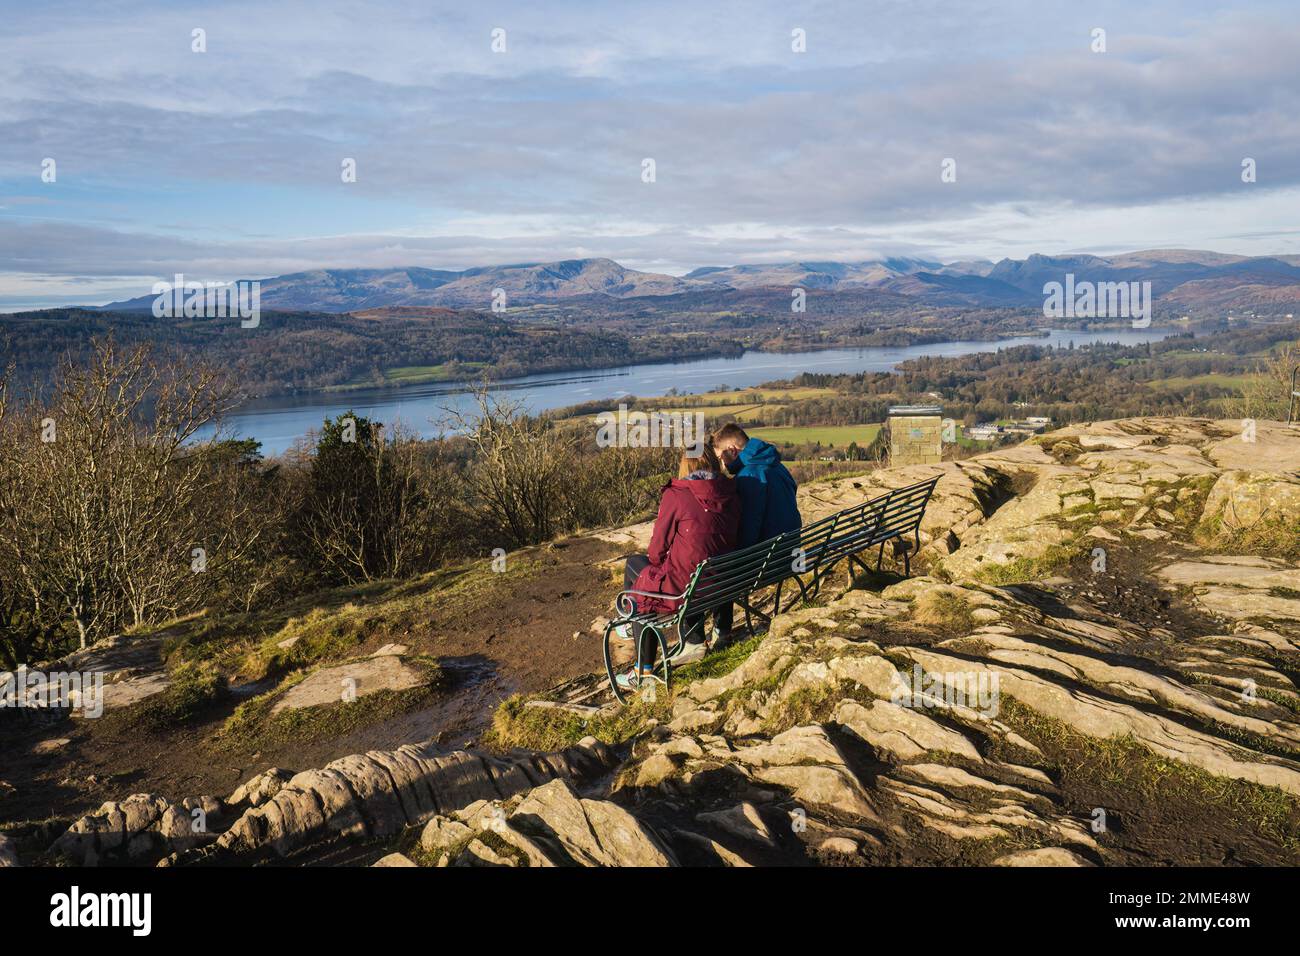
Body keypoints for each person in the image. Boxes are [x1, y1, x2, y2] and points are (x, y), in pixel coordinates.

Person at [614, 445, 740, 692]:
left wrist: (668, 558)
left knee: (637, 575)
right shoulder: (731, 492)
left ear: (686, 466)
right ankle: (632, 625)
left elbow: (655, 552)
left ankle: (642, 668)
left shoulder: (678, 495)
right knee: (672, 571)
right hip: (723, 581)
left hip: (686, 588)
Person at [708, 423, 802, 646]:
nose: (722, 464)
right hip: (792, 553)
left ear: (732, 449)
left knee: (717, 566)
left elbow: (749, 528)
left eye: (721, 457)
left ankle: (722, 633)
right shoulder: (777, 465)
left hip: (771, 561)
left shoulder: (750, 475)